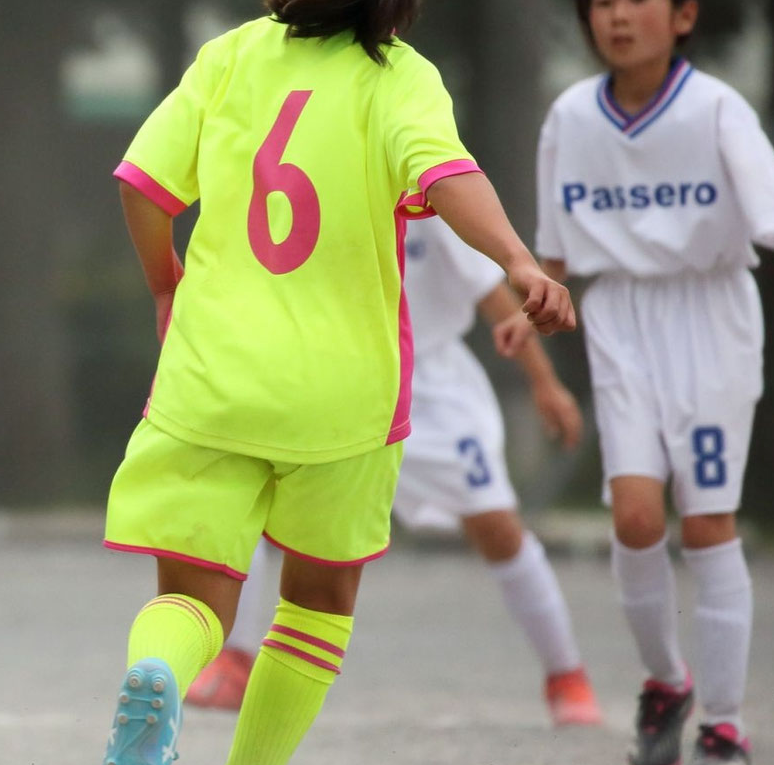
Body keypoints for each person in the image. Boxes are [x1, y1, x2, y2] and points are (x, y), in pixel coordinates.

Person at [98, 0, 574, 765]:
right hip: (343, 399)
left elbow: (141, 184)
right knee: (315, 602)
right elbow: (448, 176)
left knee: (194, 596)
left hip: (211, 379)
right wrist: (518, 260)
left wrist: (166, 283)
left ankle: (160, 673)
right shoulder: (400, 78)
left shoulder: (230, 59)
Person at [537, 0, 774, 765]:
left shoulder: (716, 108)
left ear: (683, 15)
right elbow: (552, 254)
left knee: (707, 521)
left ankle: (724, 726)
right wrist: (524, 312)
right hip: (620, 316)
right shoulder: (570, 117)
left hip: (712, 316)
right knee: (635, 517)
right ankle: (666, 681)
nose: (618, 14)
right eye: (602, 0)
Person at [187, 219, 601, 728]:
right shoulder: (318, 187)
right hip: (340, 382)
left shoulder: (432, 202)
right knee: (262, 500)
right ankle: (235, 659)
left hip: (431, 390)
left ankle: (566, 674)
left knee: (497, 529)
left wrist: (545, 383)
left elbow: (490, 292)